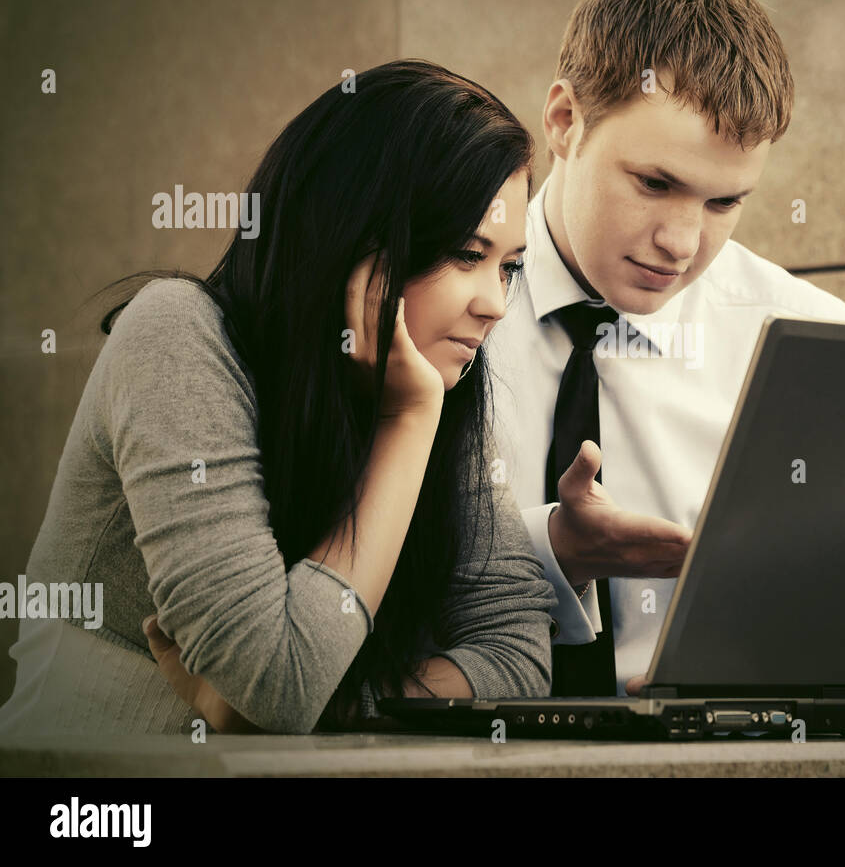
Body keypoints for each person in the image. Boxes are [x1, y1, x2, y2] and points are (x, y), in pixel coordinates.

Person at [0, 59, 556, 736]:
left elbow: (519, 655)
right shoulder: (175, 334)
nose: (495, 304)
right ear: (360, 239)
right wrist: (405, 422)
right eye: (468, 255)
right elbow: (279, 683)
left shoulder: (440, 379)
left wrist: (335, 706)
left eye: (511, 266)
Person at [487, 0, 845, 704]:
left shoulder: (807, 340)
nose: (681, 244)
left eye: (725, 204)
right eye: (656, 183)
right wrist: (544, 552)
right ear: (563, 121)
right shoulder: (436, 312)